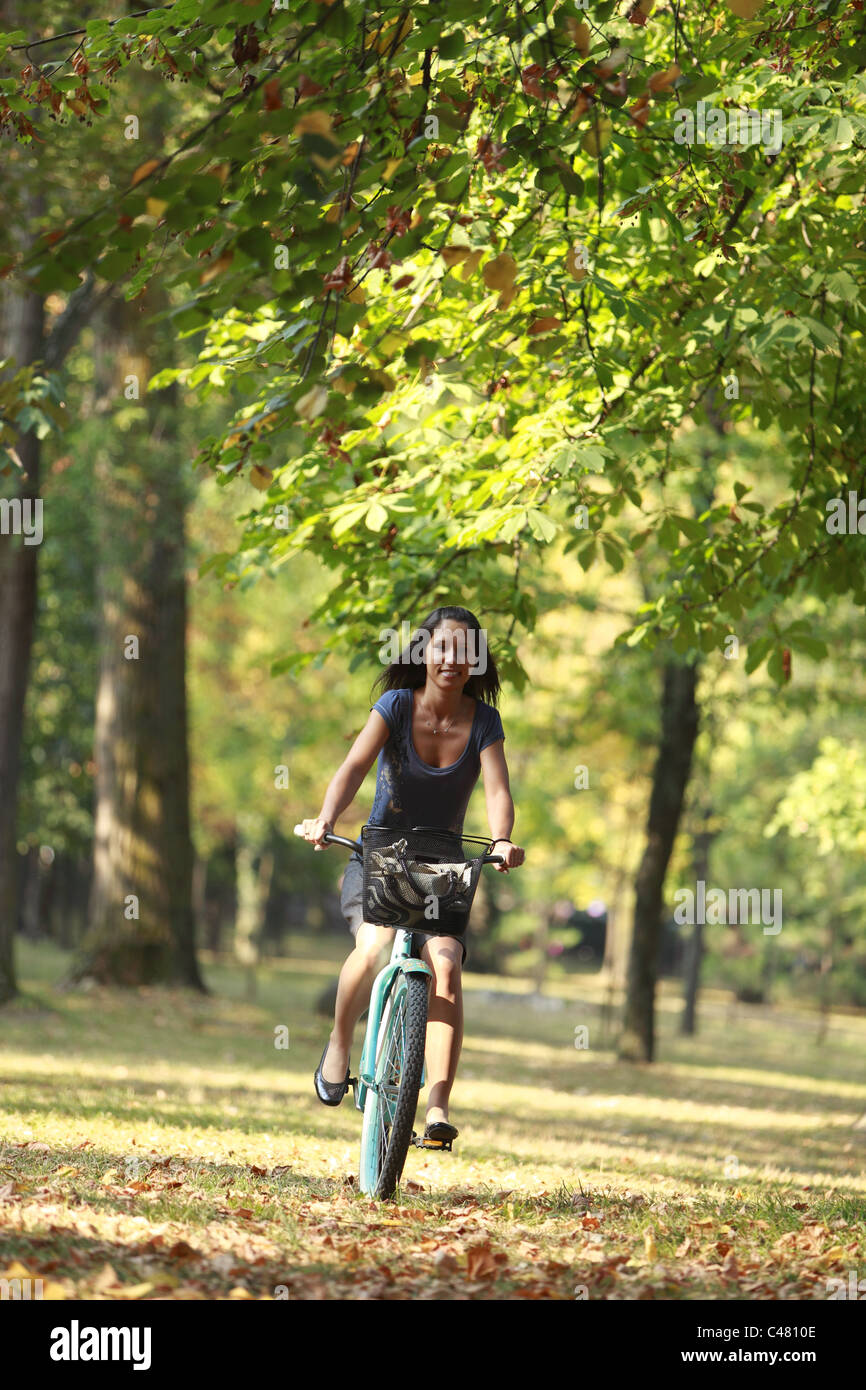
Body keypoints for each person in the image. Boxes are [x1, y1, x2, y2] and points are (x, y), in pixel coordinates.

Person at [299, 604, 524, 1147]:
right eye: (441, 647)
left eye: (464, 650)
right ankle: (338, 1045)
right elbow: (354, 765)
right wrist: (327, 819)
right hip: (379, 853)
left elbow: (497, 790)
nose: (451, 659)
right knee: (373, 946)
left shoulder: (485, 721)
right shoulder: (396, 705)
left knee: (445, 961)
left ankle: (438, 1106)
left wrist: (500, 841)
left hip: (443, 865)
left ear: (475, 662)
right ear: (423, 652)